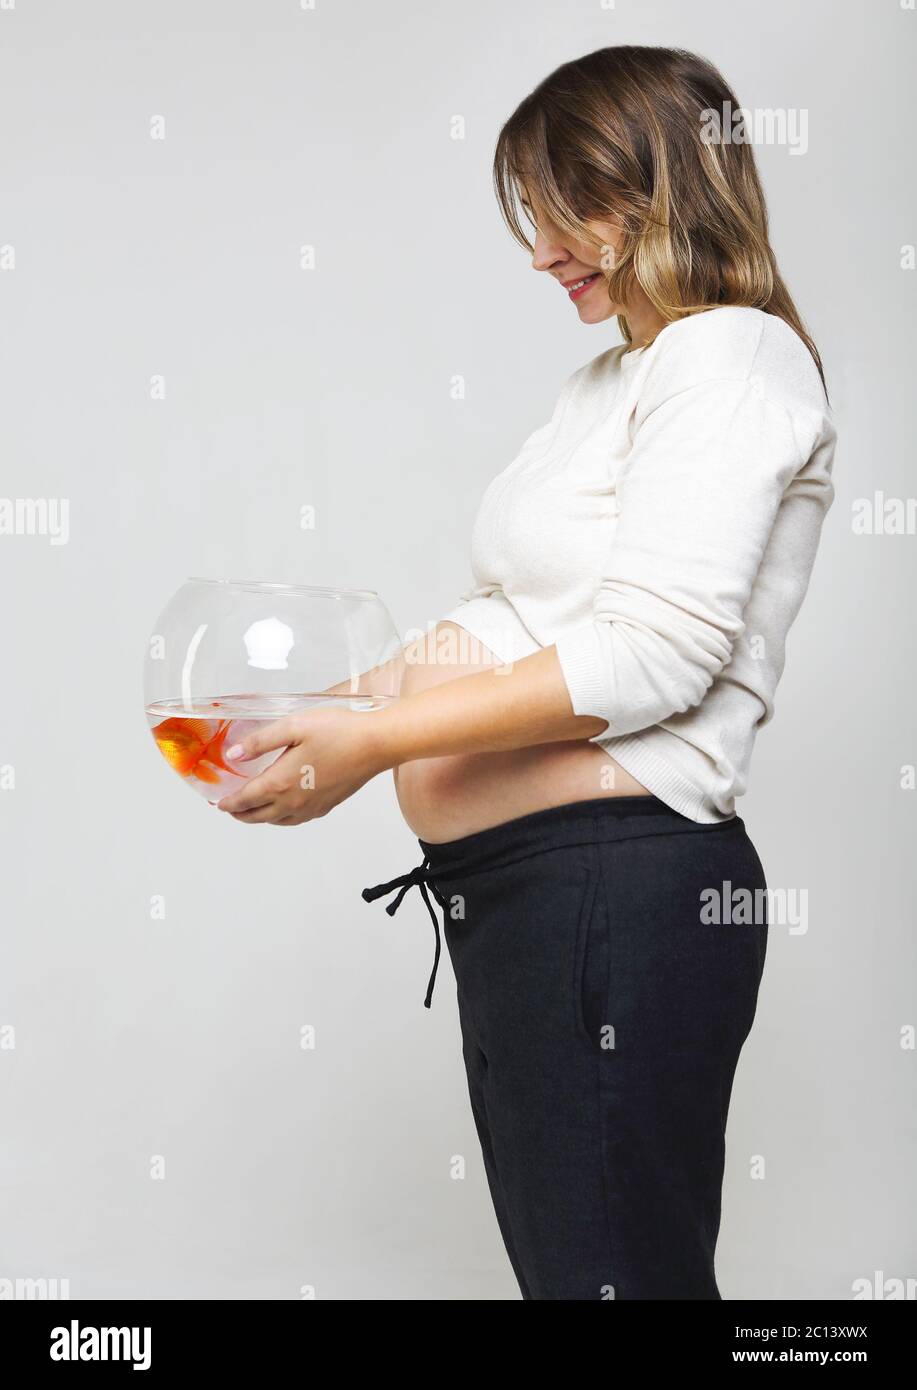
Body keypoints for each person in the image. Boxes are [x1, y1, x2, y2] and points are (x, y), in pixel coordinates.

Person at [216, 46, 836, 1300]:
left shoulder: (729, 358)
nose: (543, 249)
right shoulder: (609, 380)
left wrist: (375, 751)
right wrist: (333, 716)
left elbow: (654, 651)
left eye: (565, 211)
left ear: (657, 189)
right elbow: (506, 610)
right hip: (525, 904)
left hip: (618, 897)